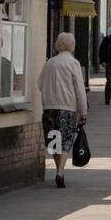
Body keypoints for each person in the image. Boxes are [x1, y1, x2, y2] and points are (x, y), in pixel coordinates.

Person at [37, 32, 88, 188]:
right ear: (72, 45)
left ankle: (60, 171)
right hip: (67, 108)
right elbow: (79, 89)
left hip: (49, 107)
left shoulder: (49, 63)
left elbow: (39, 84)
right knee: (66, 139)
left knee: (53, 140)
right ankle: (60, 172)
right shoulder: (73, 63)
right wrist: (83, 111)